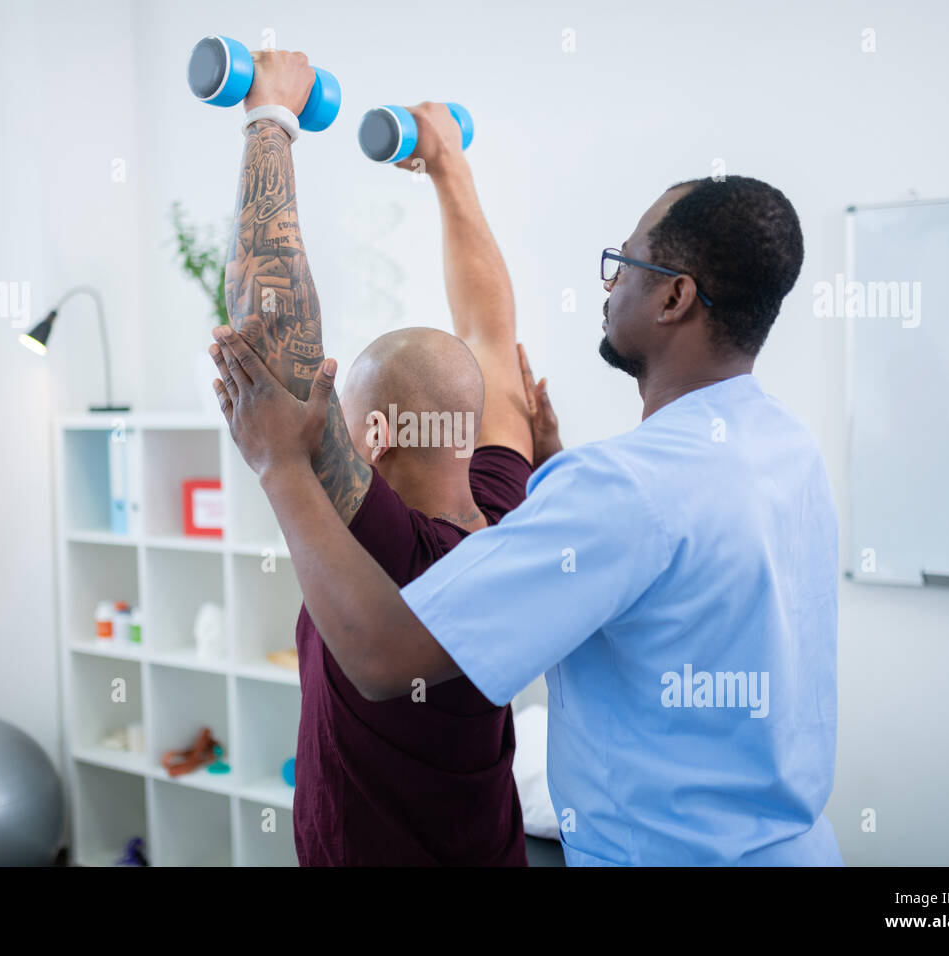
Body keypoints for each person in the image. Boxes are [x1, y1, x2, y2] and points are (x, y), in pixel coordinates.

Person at [211, 169, 844, 866]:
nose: (609, 285)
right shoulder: (785, 447)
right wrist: (448, 165)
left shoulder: (612, 492)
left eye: (623, 263)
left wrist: (280, 465)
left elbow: (379, 655)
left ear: (674, 296)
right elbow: (490, 332)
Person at [211, 49, 558, 866]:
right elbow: (487, 328)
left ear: (380, 441)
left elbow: (270, 340)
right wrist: (446, 164)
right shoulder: (505, 504)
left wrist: (272, 116)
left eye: (350, 423)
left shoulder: (387, 542)